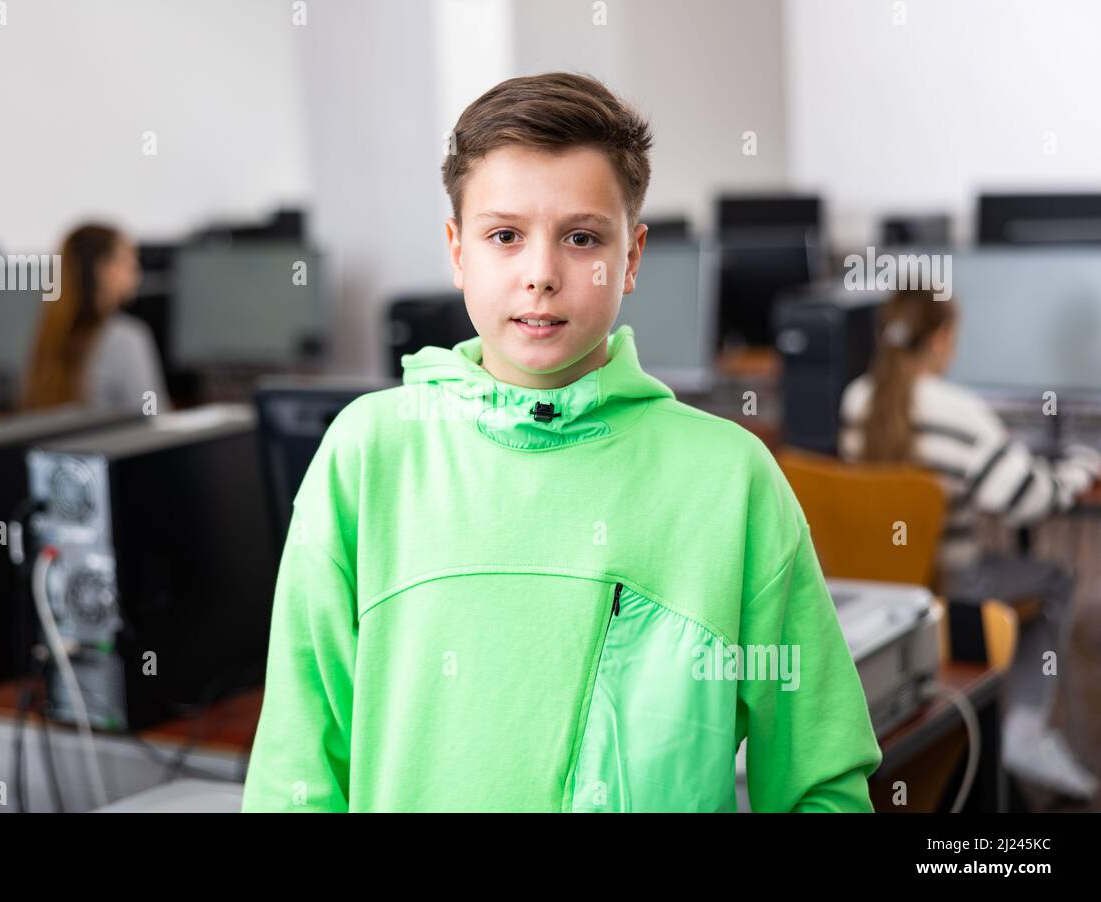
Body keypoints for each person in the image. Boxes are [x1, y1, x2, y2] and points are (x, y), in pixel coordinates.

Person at [241, 72, 881, 812]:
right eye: (504, 236)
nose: (541, 274)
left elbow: (822, 785)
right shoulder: (367, 456)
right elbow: (296, 778)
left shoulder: (730, 479)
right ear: (457, 252)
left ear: (633, 257)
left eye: (581, 238)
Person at [839, 288, 1101, 800]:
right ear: (939, 339)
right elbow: (1028, 499)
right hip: (955, 587)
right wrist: (1079, 467)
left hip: (886, 595)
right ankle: (1027, 731)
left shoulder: (857, 398)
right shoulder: (959, 411)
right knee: (1057, 578)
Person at [23, 223, 169, 413]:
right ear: (103, 270)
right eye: (128, 260)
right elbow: (153, 416)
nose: (137, 270)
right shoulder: (126, 339)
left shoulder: (48, 333)